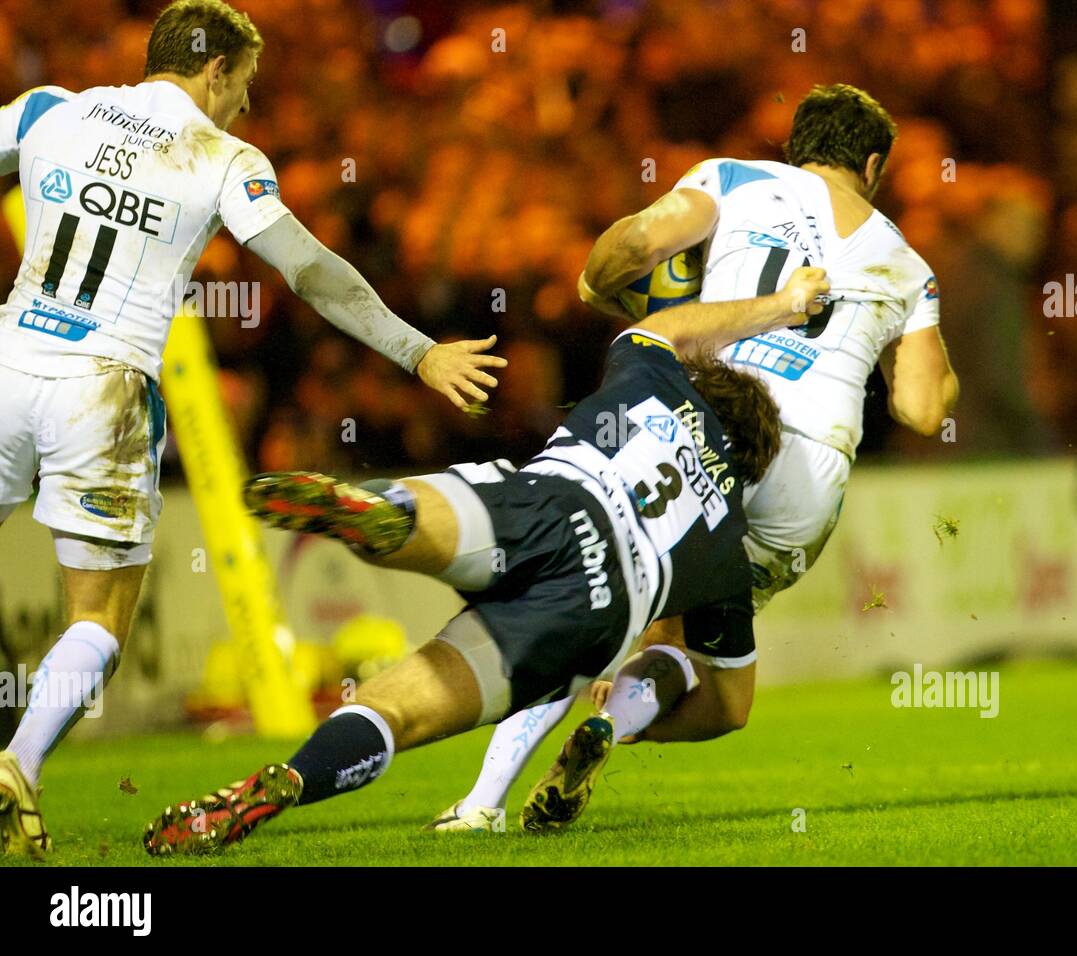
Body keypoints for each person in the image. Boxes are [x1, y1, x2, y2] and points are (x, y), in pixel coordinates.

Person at [0, 0, 505, 857]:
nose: (246, 106)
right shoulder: (222, 155)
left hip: (10, 358)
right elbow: (310, 270)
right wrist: (418, 353)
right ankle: (17, 764)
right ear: (216, 71)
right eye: (246, 87)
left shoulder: (50, 108)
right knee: (100, 615)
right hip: (105, 387)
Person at [141, 267, 828, 855]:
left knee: (429, 515)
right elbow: (733, 707)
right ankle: (292, 780)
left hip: (556, 502)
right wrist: (637, 724)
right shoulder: (726, 551)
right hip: (597, 609)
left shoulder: (655, 380)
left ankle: (382, 515)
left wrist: (782, 305)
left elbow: (669, 326)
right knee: (398, 712)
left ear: (703, 389)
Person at [433, 83, 960, 833]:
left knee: (595, 602)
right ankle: (612, 726)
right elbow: (920, 408)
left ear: (796, 146)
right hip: (806, 469)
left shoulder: (735, 177)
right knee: (705, 666)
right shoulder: (908, 265)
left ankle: (481, 803)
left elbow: (641, 242)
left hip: (700, 422)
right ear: (874, 165)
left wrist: (594, 280)